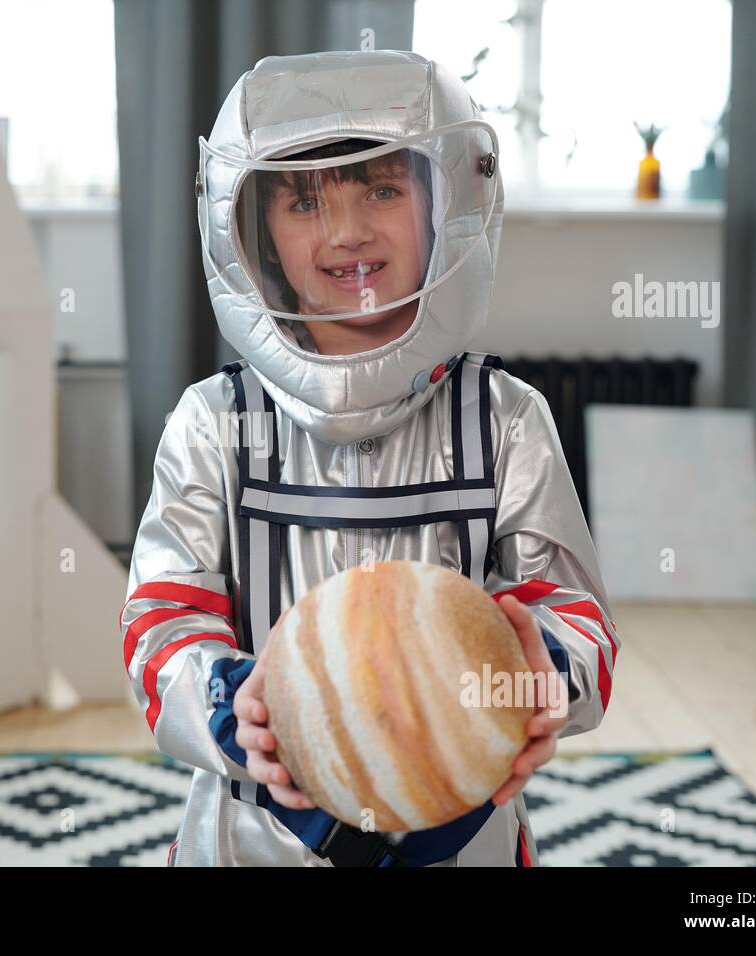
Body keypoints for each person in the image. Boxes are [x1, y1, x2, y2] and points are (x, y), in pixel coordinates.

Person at [120, 49, 620, 866]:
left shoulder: (507, 421)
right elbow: (161, 620)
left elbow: (577, 614)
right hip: (251, 840)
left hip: (463, 833)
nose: (348, 231)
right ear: (254, 234)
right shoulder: (213, 423)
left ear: (447, 204)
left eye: (383, 188)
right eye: (304, 201)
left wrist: (543, 670)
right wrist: (228, 702)